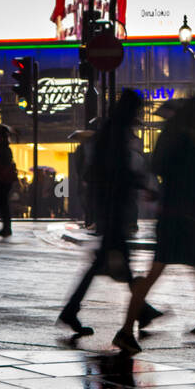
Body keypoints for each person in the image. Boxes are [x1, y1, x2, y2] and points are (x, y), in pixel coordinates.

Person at [115, 97, 195, 354]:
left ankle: (128, 329)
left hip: (173, 220)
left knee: (160, 276)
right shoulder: (189, 144)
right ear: (194, 117)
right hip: (186, 222)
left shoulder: (175, 141)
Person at [59, 92, 147, 336]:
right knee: (112, 264)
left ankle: (143, 311)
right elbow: (117, 172)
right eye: (137, 110)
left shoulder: (109, 130)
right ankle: (141, 312)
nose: (138, 115)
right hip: (113, 208)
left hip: (109, 207)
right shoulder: (116, 133)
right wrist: (141, 183)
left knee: (106, 264)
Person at [0, 127, 17, 237]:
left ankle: (6, 228)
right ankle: (6, 227)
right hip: (4, 179)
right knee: (3, 203)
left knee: (3, 203)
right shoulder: (5, 148)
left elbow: (2, 165)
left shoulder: (2, 149)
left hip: (3, 179)